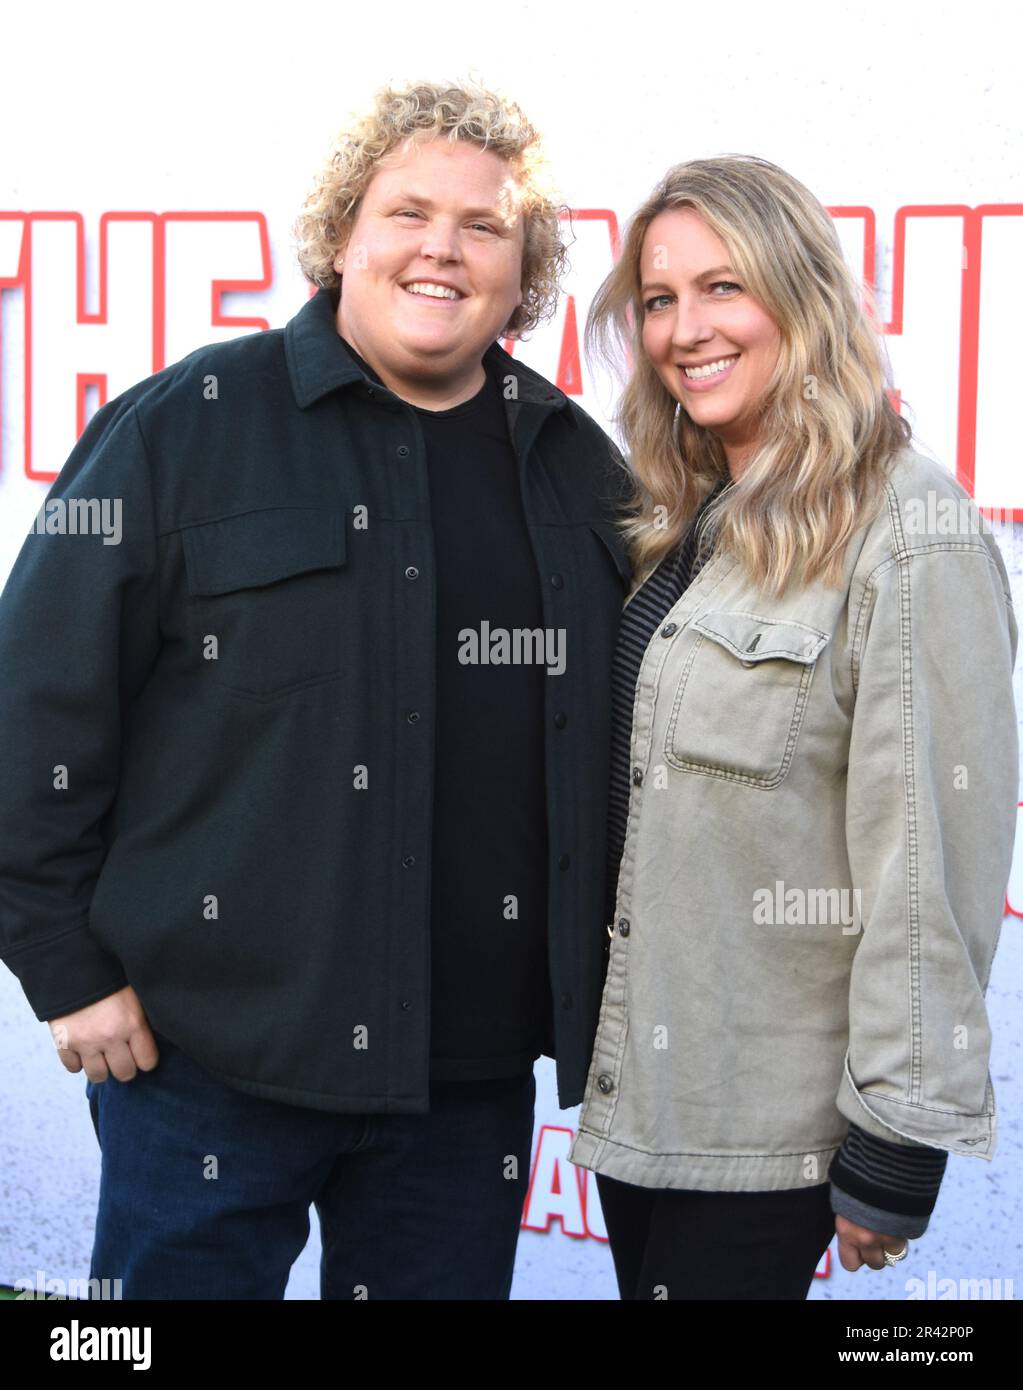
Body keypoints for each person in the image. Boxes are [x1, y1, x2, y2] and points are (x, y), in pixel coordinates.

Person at [0, 79, 633, 1300]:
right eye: (406, 212)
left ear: (525, 271)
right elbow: (35, 703)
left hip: (467, 1086)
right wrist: (60, 961)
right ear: (343, 233)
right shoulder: (187, 426)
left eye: (484, 225)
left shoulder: (574, 465)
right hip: (204, 1062)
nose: (441, 247)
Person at [568, 155, 1019, 1300]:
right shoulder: (687, 511)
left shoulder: (908, 529)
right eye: (659, 299)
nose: (684, 328)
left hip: (775, 1127)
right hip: (654, 1099)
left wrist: (896, 1140)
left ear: (804, 296)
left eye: (725, 287)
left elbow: (931, 864)